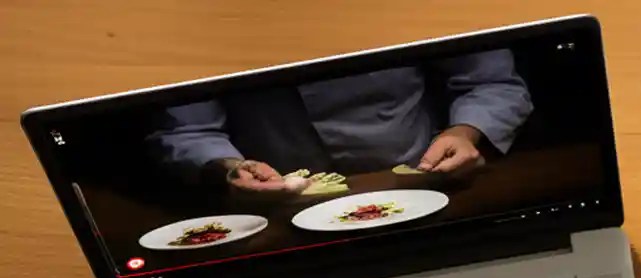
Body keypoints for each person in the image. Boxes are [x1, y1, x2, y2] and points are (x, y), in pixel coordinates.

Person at [148, 50, 533, 193]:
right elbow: (187, 130)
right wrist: (230, 168)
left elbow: (492, 83)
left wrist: (464, 133)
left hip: (428, 185)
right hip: (280, 207)